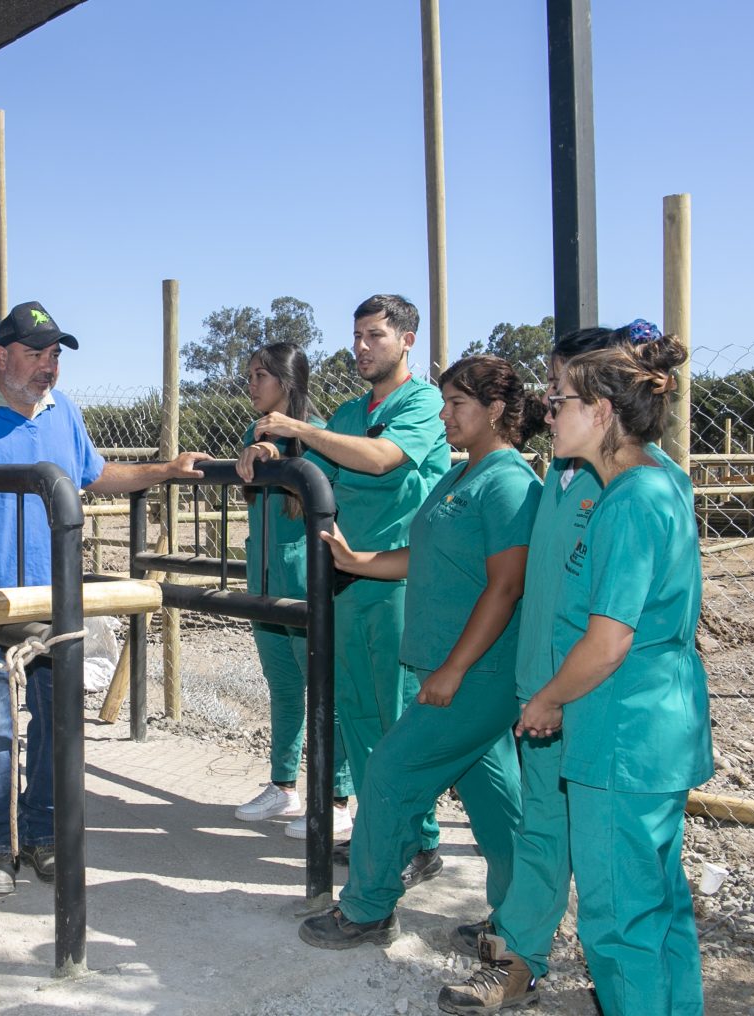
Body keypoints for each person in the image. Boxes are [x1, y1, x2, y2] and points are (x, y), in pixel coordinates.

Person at [438, 321, 699, 1015]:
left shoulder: (637, 491)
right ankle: (519, 957)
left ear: (602, 408)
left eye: (558, 397)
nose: (545, 411)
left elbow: (611, 636)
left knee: (622, 913)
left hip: (605, 714)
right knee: (624, 881)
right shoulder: (572, 476)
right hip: (571, 700)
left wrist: (553, 695)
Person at [0, 300, 210, 896]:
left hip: (55, 599)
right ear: (1, 355)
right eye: (36, 354)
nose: (48, 367)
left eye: (55, 355)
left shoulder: (64, 412)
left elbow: (92, 473)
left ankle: (41, 836)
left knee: (58, 724)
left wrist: (163, 470)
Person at [296, 355, 542, 950]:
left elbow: (506, 585)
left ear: (497, 411)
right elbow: (428, 556)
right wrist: (362, 563)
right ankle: (519, 921)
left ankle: (369, 907)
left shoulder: (509, 482)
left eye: (458, 404)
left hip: (476, 669)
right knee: (495, 803)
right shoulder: (462, 475)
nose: (445, 413)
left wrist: (455, 668)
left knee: (390, 769)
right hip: (448, 663)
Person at [240, 294, 450, 869]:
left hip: (398, 582)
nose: (361, 347)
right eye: (357, 336)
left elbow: (382, 458)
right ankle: (378, 832)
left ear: (407, 340)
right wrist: (272, 451)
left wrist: (296, 428)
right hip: (346, 582)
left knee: (400, 718)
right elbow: (319, 471)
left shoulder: (425, 403)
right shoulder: (352, 413)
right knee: (356, 714)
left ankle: (419, 841)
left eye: (375, 336)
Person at [231, 342, 354, 824]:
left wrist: (274, 452)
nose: (251, 384)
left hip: (305, 578)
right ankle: (283, 786)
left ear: (287, 381)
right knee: (282, 685)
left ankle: (337, 799)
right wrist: (258, 448)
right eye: (249, 375)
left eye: (260, 375)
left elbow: (316, 482)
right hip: (262, 575)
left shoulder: (319, 436)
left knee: (325, 688)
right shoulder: (252, 428)